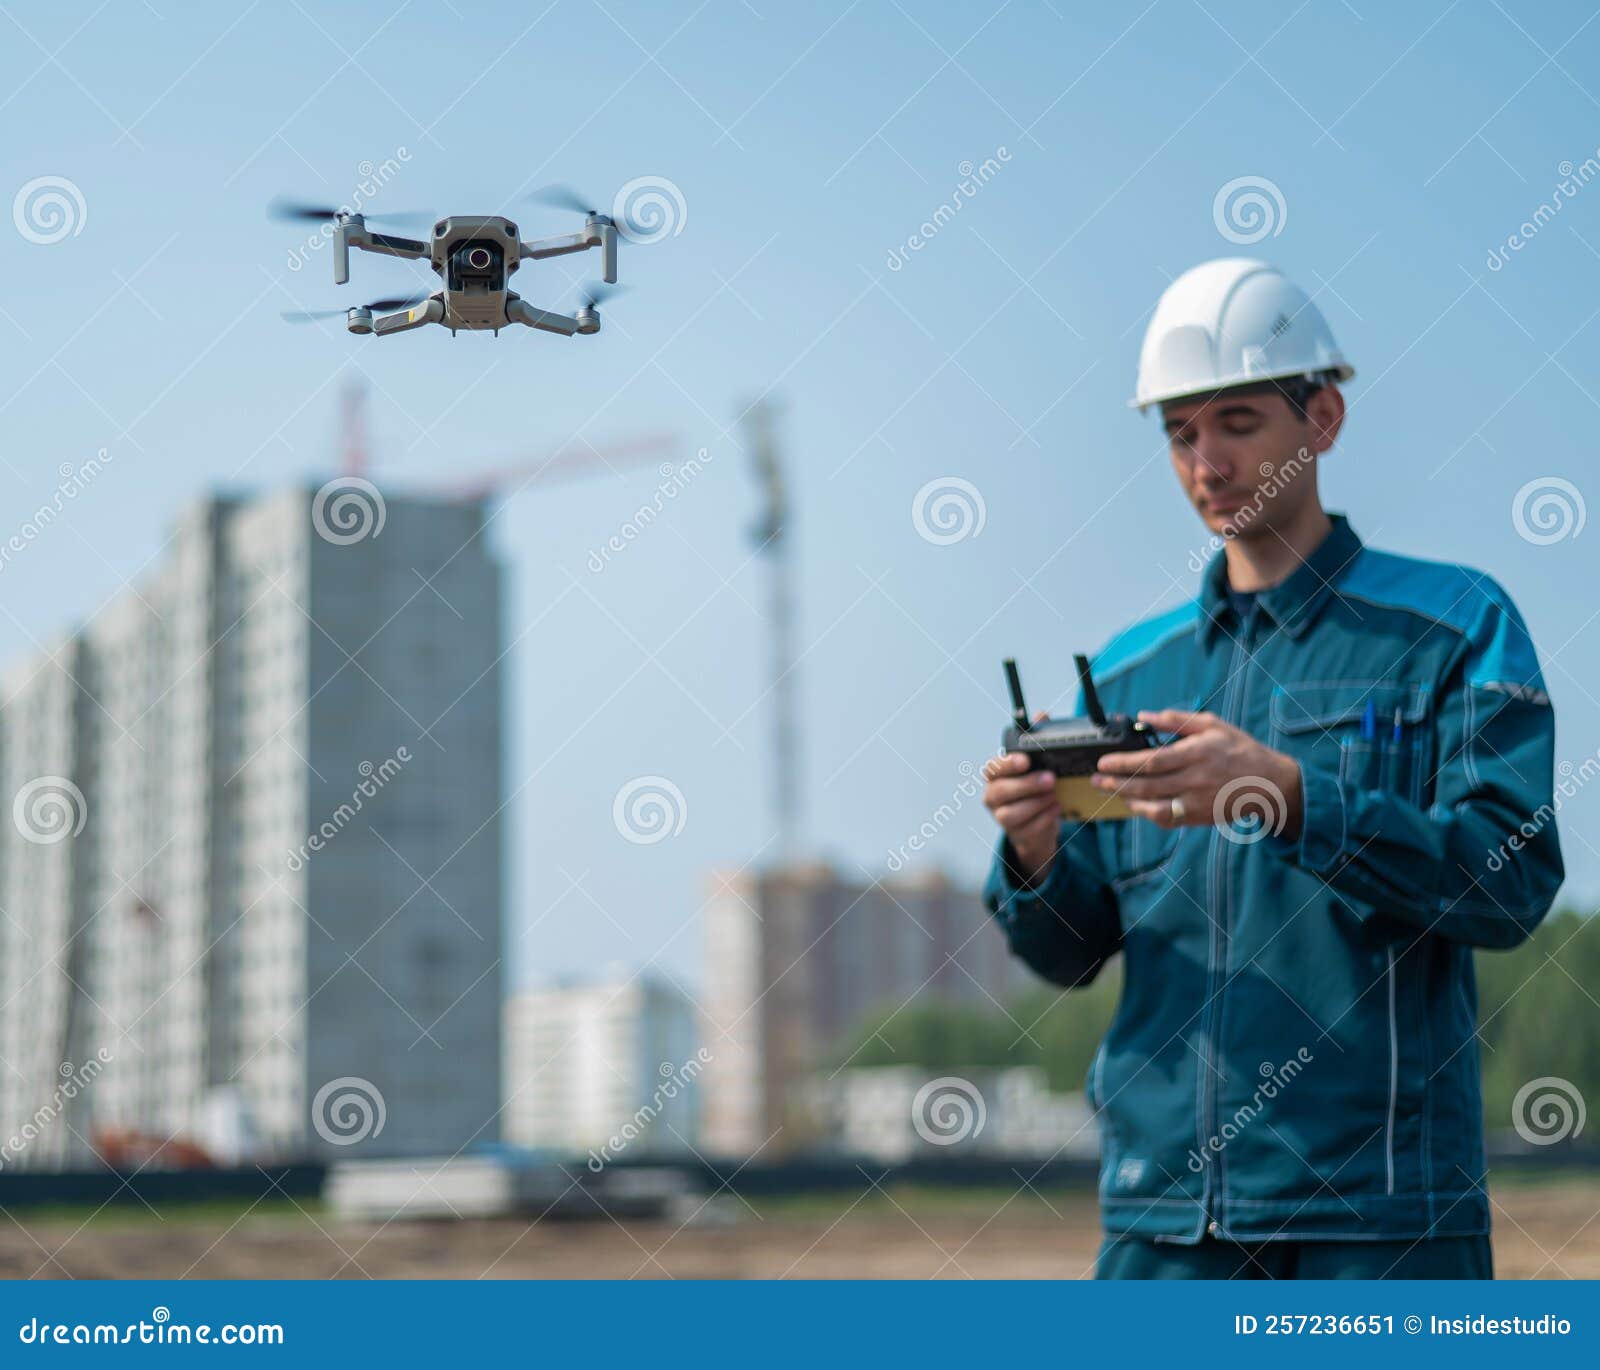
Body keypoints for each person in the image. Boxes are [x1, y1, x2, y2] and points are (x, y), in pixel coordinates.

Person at [981, 258, 1563, 1280]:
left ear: (1323, 418)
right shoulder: (1126, 674)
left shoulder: (1454, 627)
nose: (1205, 460)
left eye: (1237, 422)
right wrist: (1031, 853)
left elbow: (1506, 882)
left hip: (1378, 1226)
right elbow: (1072, 951)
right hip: (1159, 1229)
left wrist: (1291, 797)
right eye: (1177, 433)